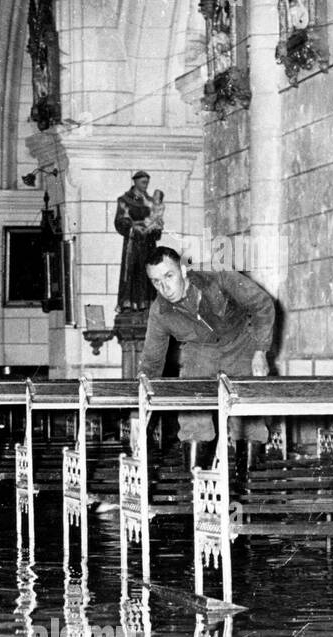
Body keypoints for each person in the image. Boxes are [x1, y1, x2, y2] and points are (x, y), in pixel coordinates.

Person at [139, 246, 276, 474]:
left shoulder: (217, 275)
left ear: (183, 270)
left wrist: (261, 350)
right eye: (156, 281)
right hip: (200, 351)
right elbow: (152, 360)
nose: (164, 287)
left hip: (240, 342)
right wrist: (140, 406)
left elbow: (262, 304)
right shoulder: (160, 312)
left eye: (168, 276)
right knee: (193, 412)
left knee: (248, 417)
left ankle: (249, 483)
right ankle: (196, 485)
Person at [114, 170, 161, 311]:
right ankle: (130, 305)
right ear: (135, 181)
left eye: (147, 182)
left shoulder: (150, 202)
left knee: (148, 272)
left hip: (148, 244)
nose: (146, 185)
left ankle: (147, 306)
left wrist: (155, 228)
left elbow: (156, 220)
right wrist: (133, 227)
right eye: (143, 182)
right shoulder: (125, 200)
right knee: (133, 272)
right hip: (133, 243)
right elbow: (120, 221)